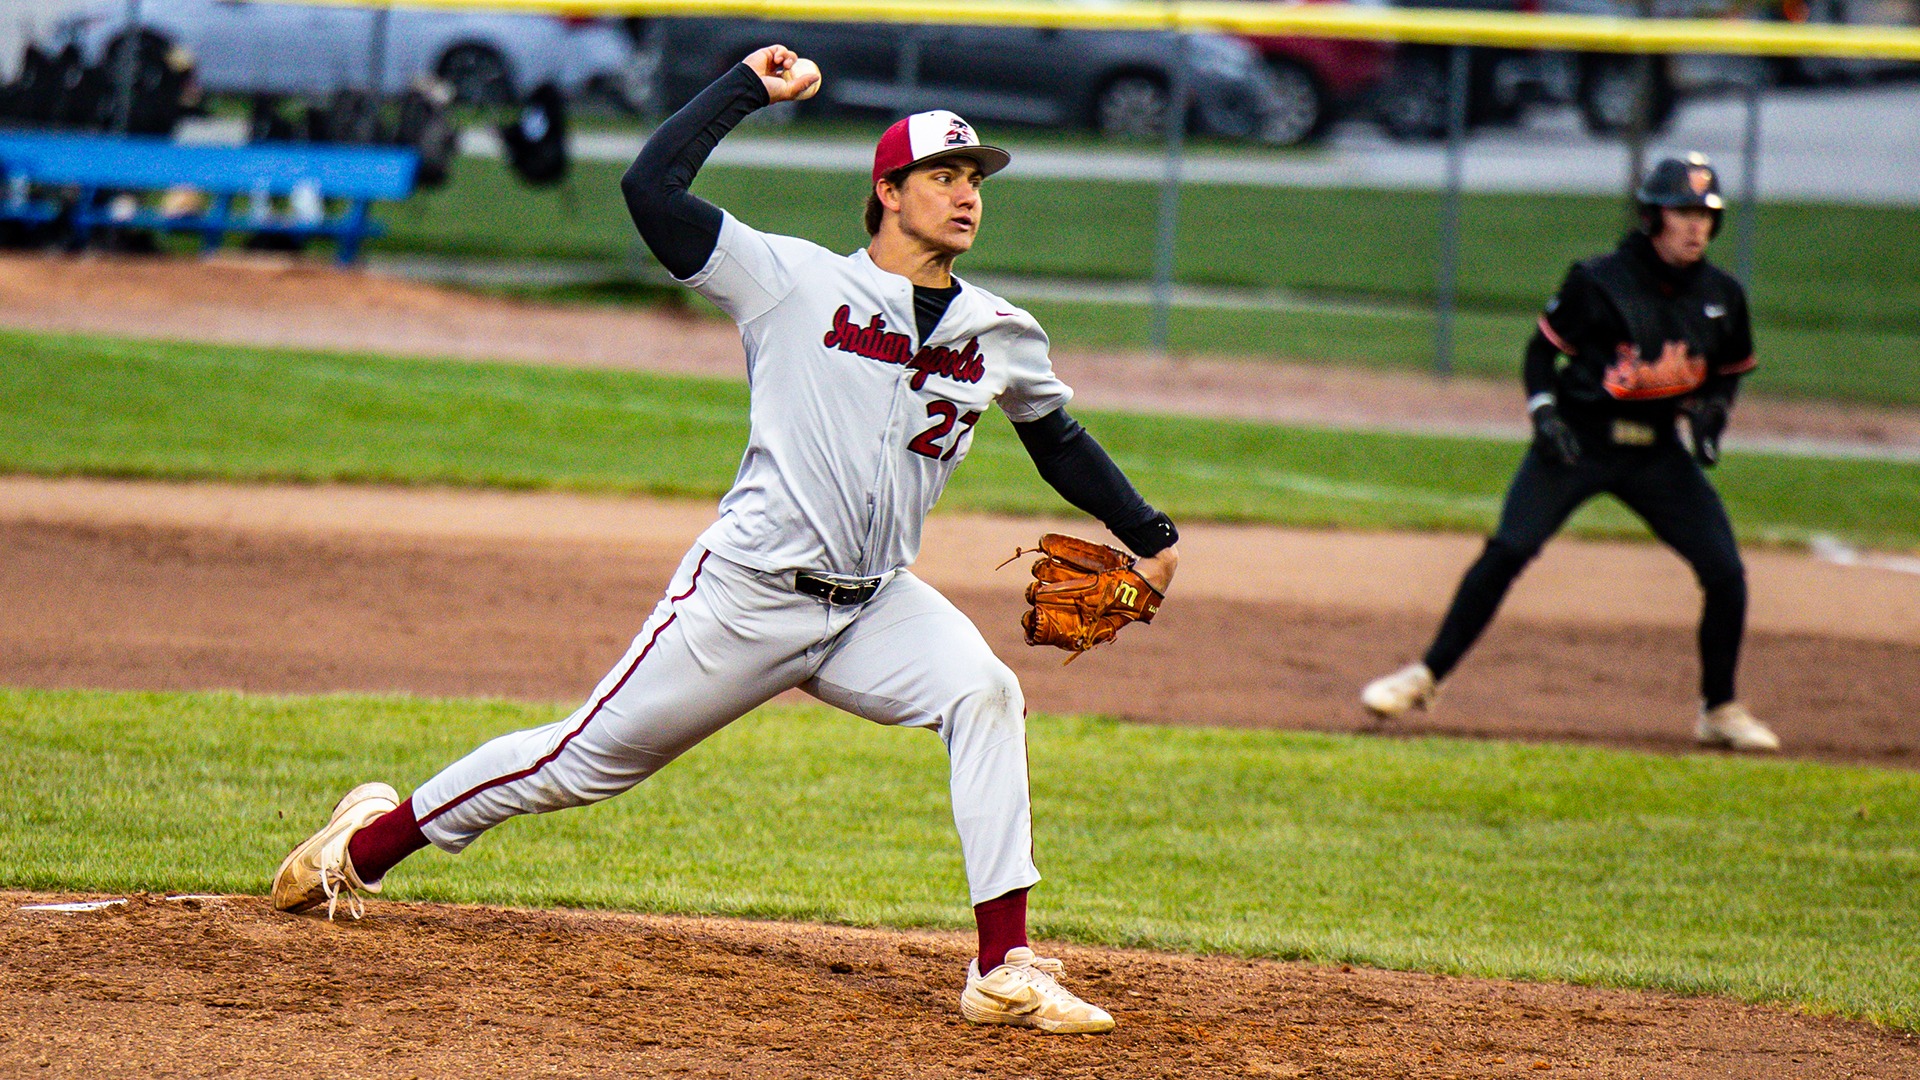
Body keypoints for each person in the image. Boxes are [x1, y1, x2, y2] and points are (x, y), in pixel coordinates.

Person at [270, 45, 1181, 1036]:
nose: (966, 196)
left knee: (986, 691)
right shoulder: (788, 279)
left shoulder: (997, 329)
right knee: (577, 763)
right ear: (887, 191)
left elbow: (1055, 436)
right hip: (747, 592)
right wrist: (746, 88)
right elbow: (649, 187)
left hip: (876, 601)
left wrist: (1149, 534)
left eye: (974, 180)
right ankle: (360, 850)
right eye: (943, 176)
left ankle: (1002, 965)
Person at [1361, 153, 1777, 752]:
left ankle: (1719, 708)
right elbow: (1540, 354)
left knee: (1726, 572)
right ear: (1653, 216)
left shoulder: (1722, 296)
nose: (1696, 227)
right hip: (1579, 441)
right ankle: (1425, 677)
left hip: (1656, 452)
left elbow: (1725, 373)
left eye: (1707, 215)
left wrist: (1713, 412)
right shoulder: (1599, 280)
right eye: (1683, 212)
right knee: (1510, 548)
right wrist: (1545, 413)